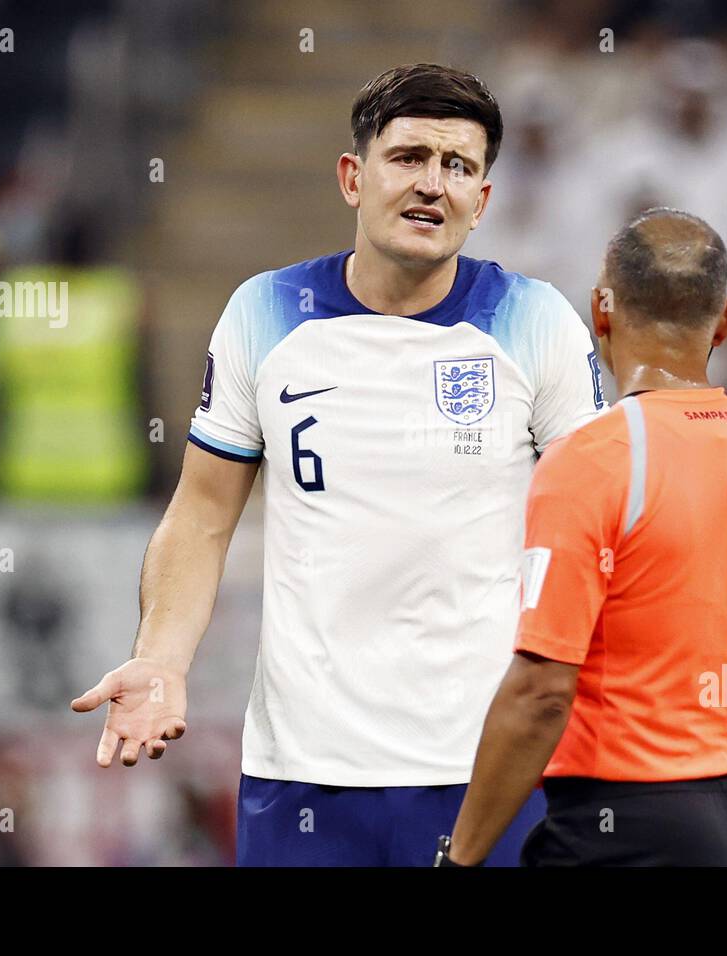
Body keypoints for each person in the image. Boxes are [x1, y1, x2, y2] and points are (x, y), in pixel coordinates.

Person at [72, 64, 605, 866]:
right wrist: (160, 658)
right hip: (302, 774)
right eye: (410, 157)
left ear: (483, 201)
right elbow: (203, 515)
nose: (434, 184)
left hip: (488, 769)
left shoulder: (538, 322)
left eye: (459, 167)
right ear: (354, 178)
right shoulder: (265, 312)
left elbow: (593, 529)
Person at [436, 208, 727, 867]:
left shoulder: (593, 462)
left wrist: (461, 858)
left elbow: (541, 691)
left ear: (601, 310)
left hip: (621, 830)